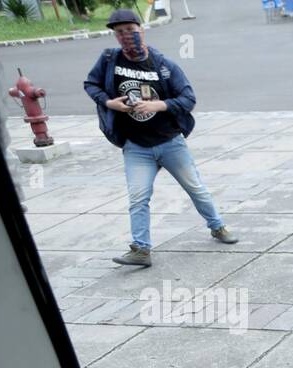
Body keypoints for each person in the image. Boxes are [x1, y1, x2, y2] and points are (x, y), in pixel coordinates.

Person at [82, 9, 239, 267]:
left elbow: (188, 99)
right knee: (138, 198)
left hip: (170, 142)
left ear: (141, 30)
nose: (125, 37)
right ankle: (141, 250)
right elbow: (91, 84)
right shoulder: (109, 60)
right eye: (119, 33)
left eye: (130, 31)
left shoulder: (163, 65)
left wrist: (159, 106)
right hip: (136, 147)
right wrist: (110, 103)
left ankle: (218, 226)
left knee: (195, 188)